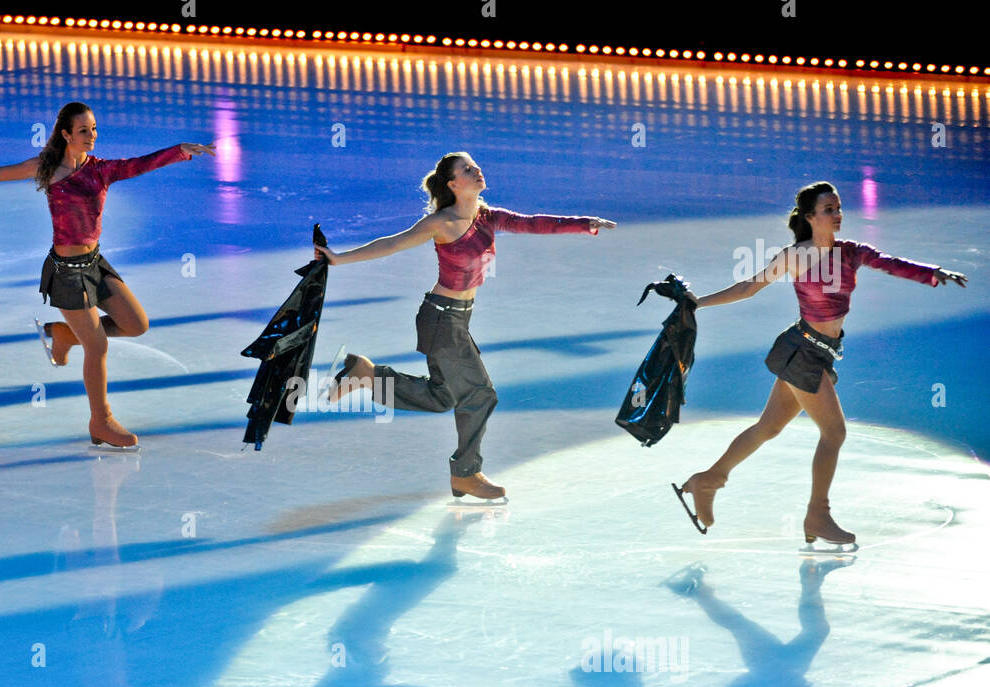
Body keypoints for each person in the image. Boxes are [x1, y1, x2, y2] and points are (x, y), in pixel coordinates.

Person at [675, 180, 968, 546]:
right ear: (811, 217)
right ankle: (818, 514)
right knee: (834, 433)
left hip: (817, 352)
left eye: (839, 208)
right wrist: (696, 303)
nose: (837, 214)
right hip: (804, 352)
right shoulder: (794, 256)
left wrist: (932, 272)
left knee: (767, 428)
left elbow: (890, 264)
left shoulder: (852, 252)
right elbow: (749, 287)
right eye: (829, 209)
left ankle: (708, 479)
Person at [315, 151, 615, 500]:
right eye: (467, 169)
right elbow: (392, 244)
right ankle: (466, 475)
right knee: (480, 395)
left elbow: (534, 223)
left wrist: (584, 222)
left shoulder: (487, 217)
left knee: (445, 396)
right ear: (454, 184)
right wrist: (339, 258)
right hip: (441, 318)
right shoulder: (441, 223)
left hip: (455, 317)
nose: (477, 171)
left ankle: (367, 376)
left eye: (475, 166)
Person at [0, 101, 214, 448]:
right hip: (66, 273)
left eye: (94, 129)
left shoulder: (100, 170)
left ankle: (64, 335)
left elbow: (137, 165)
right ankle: (101, 421)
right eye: (83, 130)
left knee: (136, 324)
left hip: (95, 265)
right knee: (98, 345)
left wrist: (178, 151)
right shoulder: (47, 169)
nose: (91, 136)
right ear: (66, 134)